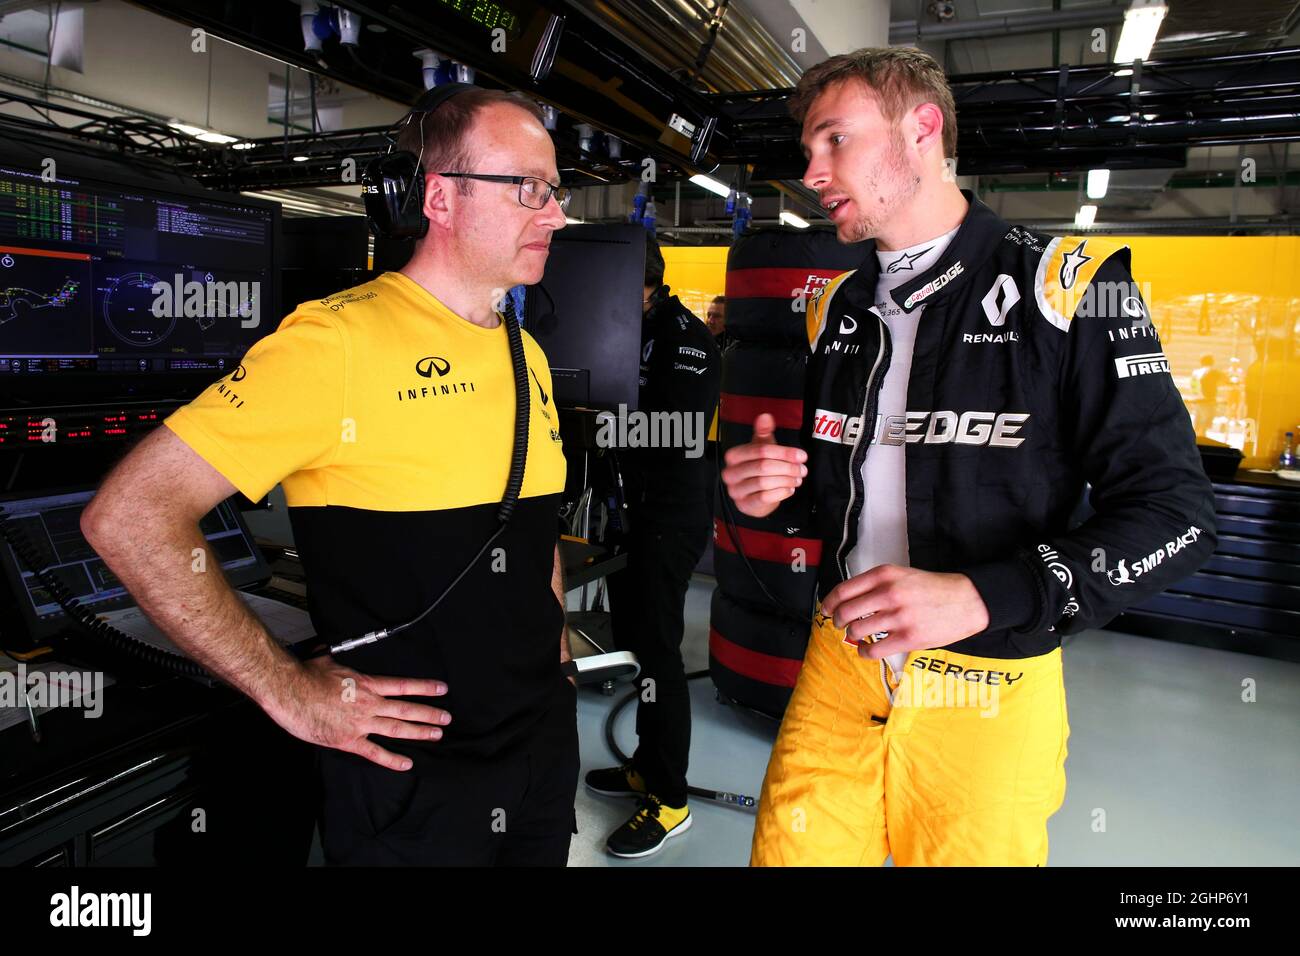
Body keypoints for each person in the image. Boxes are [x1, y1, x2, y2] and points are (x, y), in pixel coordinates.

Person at [721, 47, 1217, 866]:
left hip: (989, 687)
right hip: (837, 664)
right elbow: (851, 496)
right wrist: (774, 491)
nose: (810, 171)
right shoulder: (832, 310)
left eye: (833, 140)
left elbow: (1180, 517)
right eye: (808, 148)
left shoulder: (1072, 284)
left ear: (921, 129)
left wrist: (984, 597)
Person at [81, 86, 577, 865]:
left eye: (555, 193)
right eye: (529, 189)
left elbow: (531, 519)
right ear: (439, 197)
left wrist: (556, 651)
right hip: (414, 777)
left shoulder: (527, 351)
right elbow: (132, 515)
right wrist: (287, 689)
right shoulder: (332, 344)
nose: (554, 215)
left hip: (542, 751)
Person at [585, 236, 721, 858]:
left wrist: (591, 423)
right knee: (634, 644)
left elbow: (677, 430)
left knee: (658, 653)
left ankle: (670, 799)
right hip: (630, 513)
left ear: (637, 282)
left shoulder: (684, 337)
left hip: (670, 515)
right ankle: (644, 762)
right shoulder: (621, 327)